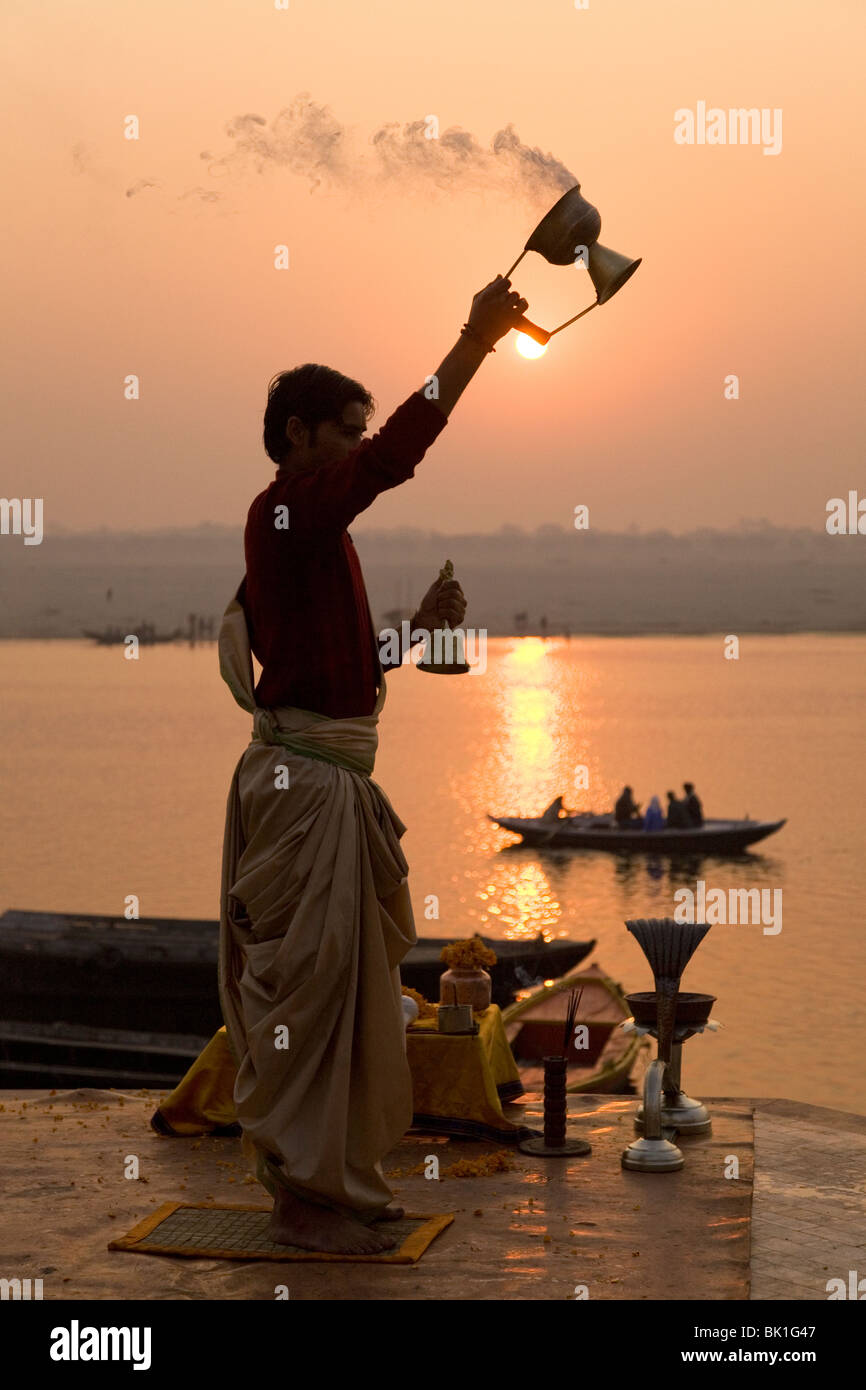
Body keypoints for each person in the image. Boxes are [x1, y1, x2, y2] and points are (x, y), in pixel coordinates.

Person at [217, 276, 530, 1256]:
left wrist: (410, 638)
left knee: (349, 993)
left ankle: (342, 1181)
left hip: (330, 781)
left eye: (357, 433)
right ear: (298, 434)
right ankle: (302, 1196)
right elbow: (398, 454)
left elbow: (323, 674)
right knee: (308, 998)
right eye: (343, 433)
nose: (357, 448)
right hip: (302, 792)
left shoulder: (310, 535)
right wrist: (474, 339)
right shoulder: (283, 516)